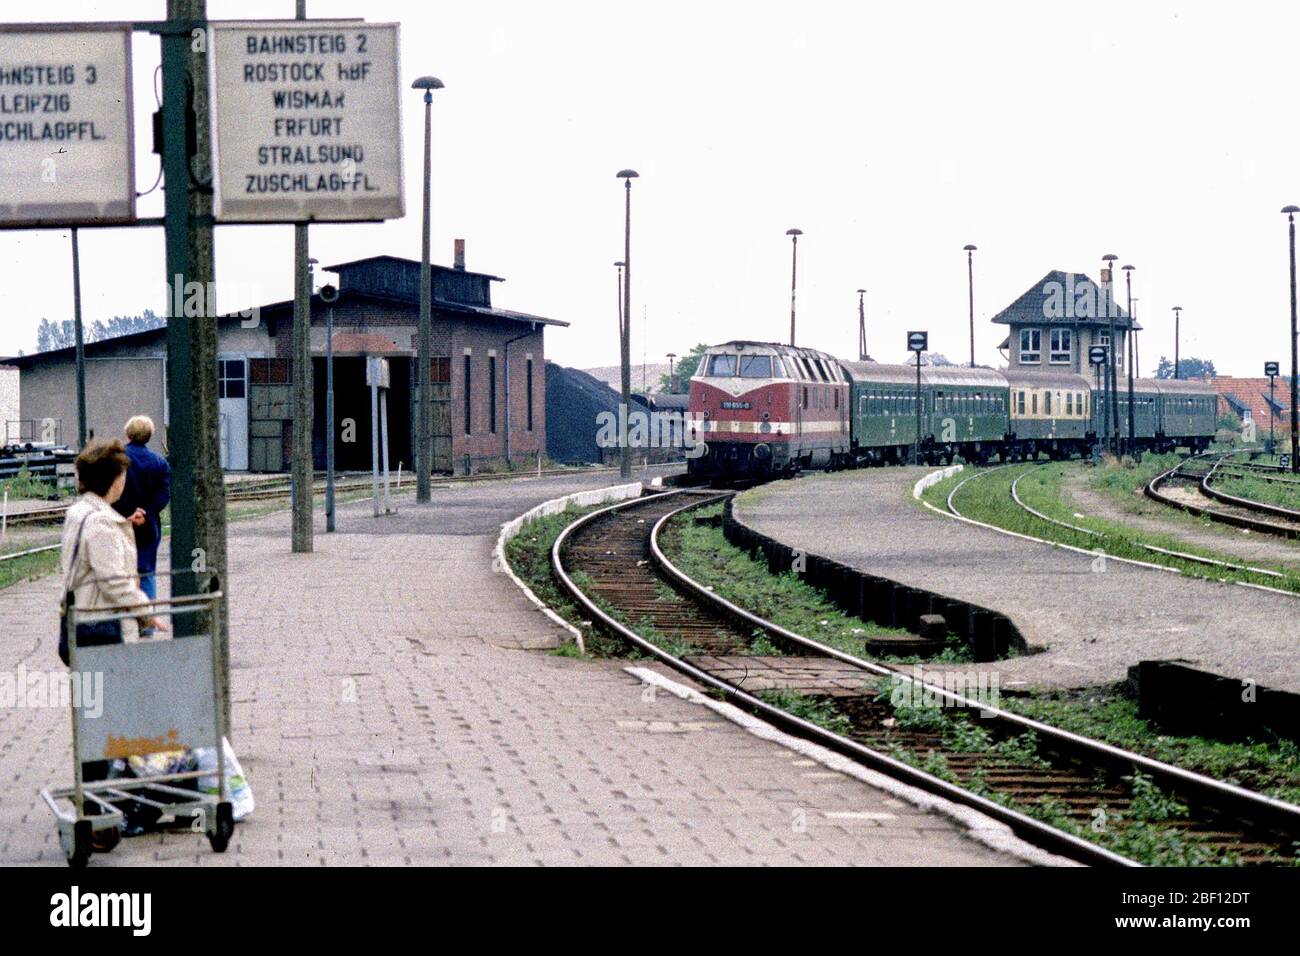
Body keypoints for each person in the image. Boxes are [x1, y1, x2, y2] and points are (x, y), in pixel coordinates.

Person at [62, 439, 168, 644]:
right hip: (105, 626)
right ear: (115, 478)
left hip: (83, 617)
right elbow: (114, 582)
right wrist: (146, 612)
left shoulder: (78, 512)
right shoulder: (101, 523)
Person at [112, 415, 171, 610]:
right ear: (149, 435)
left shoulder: (116, 459)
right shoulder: (159, 462)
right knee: (146, 571)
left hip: (119, 521)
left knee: (120, 571)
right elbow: (163, 495)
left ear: (128, 433)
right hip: (148, 525)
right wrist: (144, 512)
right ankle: (146, 621)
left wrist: (128, 512)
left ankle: (124, 617)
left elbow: (111, 491)